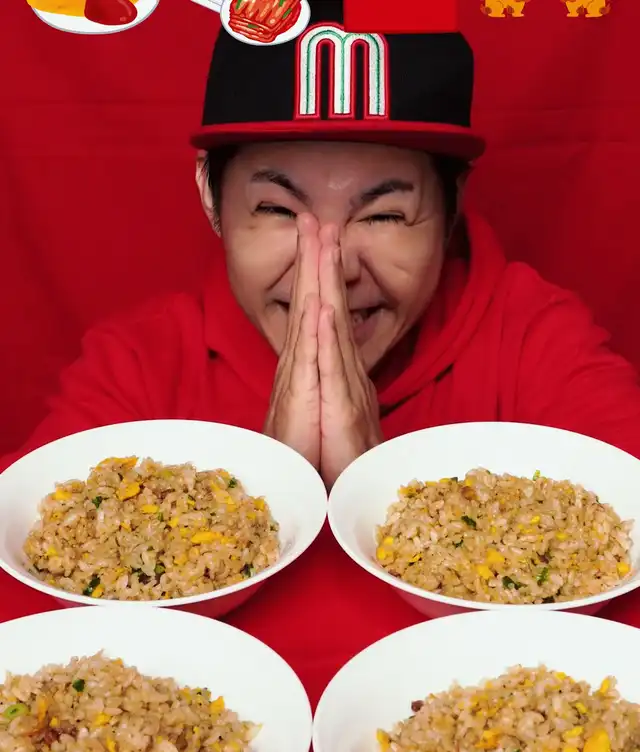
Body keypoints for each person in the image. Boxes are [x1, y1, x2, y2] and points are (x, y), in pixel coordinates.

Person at [4, 0, 640, 484]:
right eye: (279, 210)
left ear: (452, 206)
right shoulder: (137, 369)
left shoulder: (536, 342)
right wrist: (274, 487)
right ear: (209, 196)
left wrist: (373, 486)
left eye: (383, 216)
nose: (330, 272)